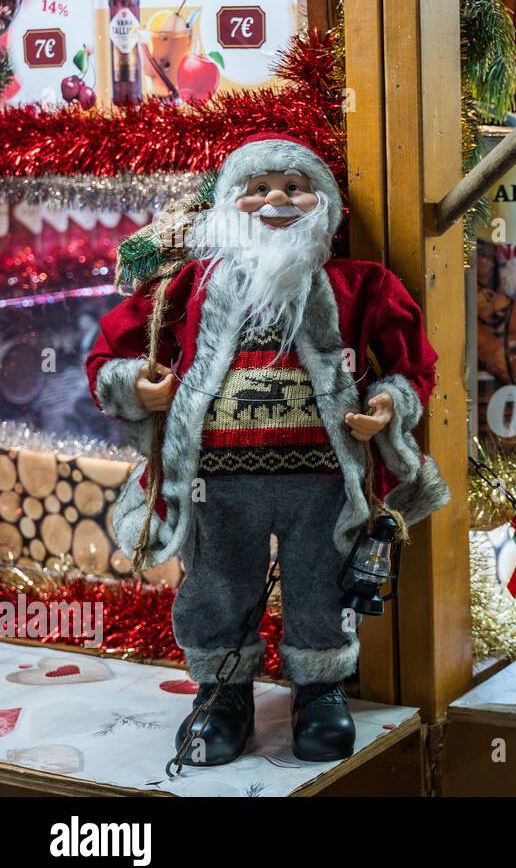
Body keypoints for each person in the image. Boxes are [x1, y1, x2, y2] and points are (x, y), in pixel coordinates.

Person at [86, 134, 449, 764]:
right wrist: (133, 387)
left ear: (326, 206)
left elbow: (410, 363)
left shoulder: (361, 286)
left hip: (322, 484)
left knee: (321, 585)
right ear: (231, 204)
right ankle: (222, 692)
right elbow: (114, 350)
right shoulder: (188, 285)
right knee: (218, 585)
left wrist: (389, 405)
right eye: (257, 189)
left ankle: (320, 689)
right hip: (217, 485)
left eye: (293, 186)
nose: (276, 199)